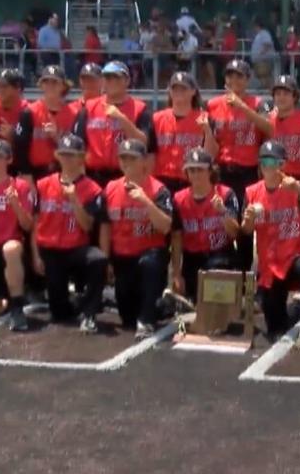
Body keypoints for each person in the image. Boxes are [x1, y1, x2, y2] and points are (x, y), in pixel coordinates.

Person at [242, 141, 300, 350]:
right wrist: (248, 219)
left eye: (273, 162)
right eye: (264, 162)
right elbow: (246, 230)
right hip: (270, 266)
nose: (268, 167)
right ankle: (297, 309)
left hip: (294, 257)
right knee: (275, 327)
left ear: (283, 164)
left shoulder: (294, 187)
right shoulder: (252, 192)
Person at [32, 134, 110, 332]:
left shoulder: (93, 189)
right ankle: (77, 302)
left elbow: (88, 226)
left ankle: (90, 313)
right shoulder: (43, 185)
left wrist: (74, 199)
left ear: (81, 157)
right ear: (57, 155)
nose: (66, 159)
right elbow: (34, 222)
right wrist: (35, 255)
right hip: (50, 251)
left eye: (71, 155)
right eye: (63, 154)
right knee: (59, 314)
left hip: (76, 250)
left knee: (98, 259)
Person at [99, 139, 175, 339]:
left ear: (144, 161)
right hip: (123, 258)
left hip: (149, 255)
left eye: (132, 158)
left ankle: (147, 319)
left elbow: (165, 226)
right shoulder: (111, 188)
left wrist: (145, 201)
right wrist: (106, 261)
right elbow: (105, 227)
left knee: (150, 263)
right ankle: (162, 306)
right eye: (123, 158)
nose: (126, 163)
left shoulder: (158, 190)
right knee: (127, 318)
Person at [208, 59, 273, 270]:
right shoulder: (213, 105)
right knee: (222, 222)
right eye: (230, 75)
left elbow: (270, 128)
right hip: (223, 171)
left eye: (239, 76)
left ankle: (245, 273)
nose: (234, 80)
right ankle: (224, 270)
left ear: (247, 79)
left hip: (248, 172)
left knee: (246, 224)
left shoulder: (259, 103)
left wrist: (243, 107)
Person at [168, 149, 240, 302]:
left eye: (200, 170)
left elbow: (234, 233)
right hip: (192, 258)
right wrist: (176, 274)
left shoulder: (226, 194)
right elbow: (176, 238)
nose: (196, 174)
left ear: (210, 171)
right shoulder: (179, 199)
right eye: (191, 170)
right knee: (191, 301)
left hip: (220, 255)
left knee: (214, 296)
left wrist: (223, 212)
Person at [73, 60, 151, 186]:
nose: (111, 81)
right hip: (93, 176)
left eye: (116, 77)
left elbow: (144, 144)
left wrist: (122, 119)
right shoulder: (89, 108)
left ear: (127, 81)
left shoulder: (140, 109)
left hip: (126, 176)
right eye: (108, 77)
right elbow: (77, 146)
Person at [148, 71, 215, 193]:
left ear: (193, 91)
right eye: (175, 88)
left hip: (191, 181)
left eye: (183, 88)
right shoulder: (157, 119)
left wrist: (208, 132)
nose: (179, 92)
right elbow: (150, 155)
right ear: (169, 91)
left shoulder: (205, 118)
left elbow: (210, 156)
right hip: (162, 180)